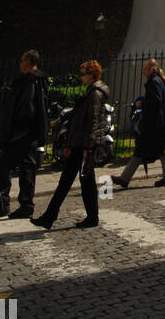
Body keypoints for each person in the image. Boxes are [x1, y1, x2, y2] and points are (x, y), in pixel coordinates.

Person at [31, 61, 109, 230]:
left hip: (84, 145)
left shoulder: (95, 93)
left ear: (91, 74)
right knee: (81, 183)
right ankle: (86, 216)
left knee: (70, 182)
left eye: (83, 74)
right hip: (80, 144)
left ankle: (51, 216)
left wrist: (88, 148)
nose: (81, 77)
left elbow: (93, 121)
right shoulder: (91, 92)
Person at [0, 50, 49, 221]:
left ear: (28, 62)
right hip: (27, 134)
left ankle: (4, 205)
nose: (19, 63)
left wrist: (14, 130)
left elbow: (26, 109)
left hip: (21, 134)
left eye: (22, 60)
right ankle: (25, 205)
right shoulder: (33, 80)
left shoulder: (30, 82)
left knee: (2, 167)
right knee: (26, 169)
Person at [114, 59, 165, 189]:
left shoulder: (154, 82)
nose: (143, 71)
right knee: (155, 149)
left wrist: (143, 104)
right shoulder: (158, 81)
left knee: (144, 150)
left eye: (145, 68)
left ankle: (125, 178)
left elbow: (155, 102)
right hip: (159, 122)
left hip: (155, 123)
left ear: (151, 69)